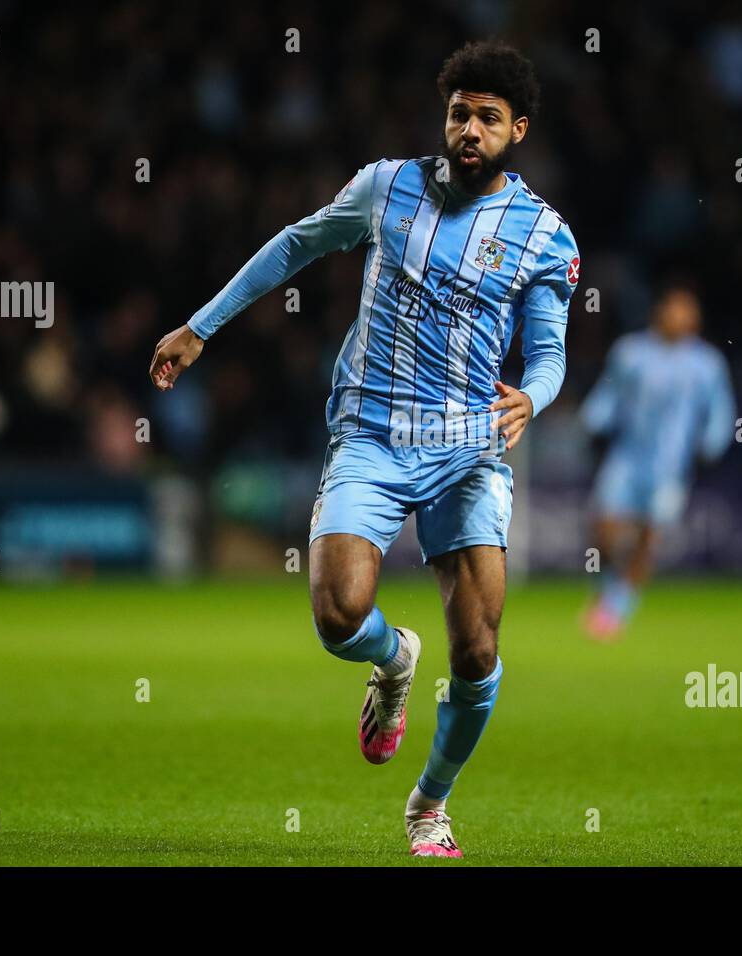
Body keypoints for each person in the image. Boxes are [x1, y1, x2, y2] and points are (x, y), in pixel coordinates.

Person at [147, 41, 579, 857]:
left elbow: (550, 351)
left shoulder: (543, 236)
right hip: (372, 434)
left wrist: (535, 395)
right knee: (339, 615)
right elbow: (294, 245)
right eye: (459, 113)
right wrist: (200, 327)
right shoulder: (386, 187)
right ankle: (392, 659)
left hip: (470, 447)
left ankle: (430, 805)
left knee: (480, 645)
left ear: (517, 129)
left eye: (489, 117)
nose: (470, 130)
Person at [581, 285, 734, 640]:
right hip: (626, 458)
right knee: (603, 531)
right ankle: (606, 587)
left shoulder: (707, 363)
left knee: (649, 536)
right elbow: (610, 394)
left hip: (671, 466)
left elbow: (720, 409)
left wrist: (712, 443)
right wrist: (593, 418)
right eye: (674, 309)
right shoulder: (631, 352)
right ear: (660, 311)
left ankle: (618, 606)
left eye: (687, 311)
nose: (680, 317)